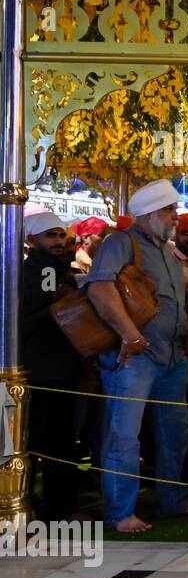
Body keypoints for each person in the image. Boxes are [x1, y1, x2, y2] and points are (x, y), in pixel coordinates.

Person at [85, 180, 188, 533]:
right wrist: (130, 334)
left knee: (175, 432)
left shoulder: (166, 249)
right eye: (170, 211)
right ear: (151, 213)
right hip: (135, 357)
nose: (175, 218)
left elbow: (174, 301)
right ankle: (121, 512)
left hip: (171, 356)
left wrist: (185, 336)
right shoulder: (120, 243)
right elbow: (99, 287)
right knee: (124, 435)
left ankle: (173, 501)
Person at [21, 213, 84, 520]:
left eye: (61, 235)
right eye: (51, 236)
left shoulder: (62, 271)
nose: (59, 242)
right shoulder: (29, 272)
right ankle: (30, 506)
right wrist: (56, 307)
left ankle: (61, 509)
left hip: (64, 369)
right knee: (36, 442)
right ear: (31, 241)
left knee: (61, 442)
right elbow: (21, 325)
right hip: (38, 371)